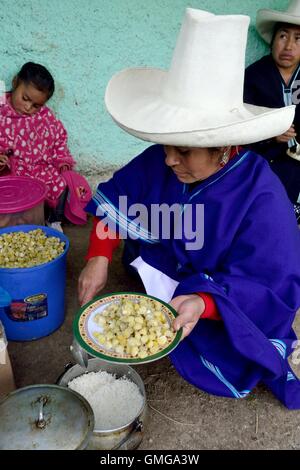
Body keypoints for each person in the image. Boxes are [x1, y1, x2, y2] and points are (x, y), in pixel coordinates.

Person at [79, 8, 300, 409]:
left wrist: (206, 302)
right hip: (173, 267)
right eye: (167, 145)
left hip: (222, 293)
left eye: (183, 150)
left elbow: (271, 286)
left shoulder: (263, 199)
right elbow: (119, 203)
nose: (168, 160)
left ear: (223, 150)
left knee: (231, 353)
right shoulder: (168, 159)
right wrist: (97, 256)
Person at [0, 62, 90, 227]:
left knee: (62, 185)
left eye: (36, 105)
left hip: (39, 170)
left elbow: (58, 138)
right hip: (11, 172)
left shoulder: (45, 117)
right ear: (15, 82)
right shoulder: (1, 110)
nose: (28, 107)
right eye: (25, 98)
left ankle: (54, 221)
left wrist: (62, 161)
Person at [244, 0, 300, 220]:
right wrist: (272, 135)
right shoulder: (255, 76)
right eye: (283, 36)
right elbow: (241, 128)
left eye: (298, 39)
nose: (289, 47)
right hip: (267, 161)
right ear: (273, 40)